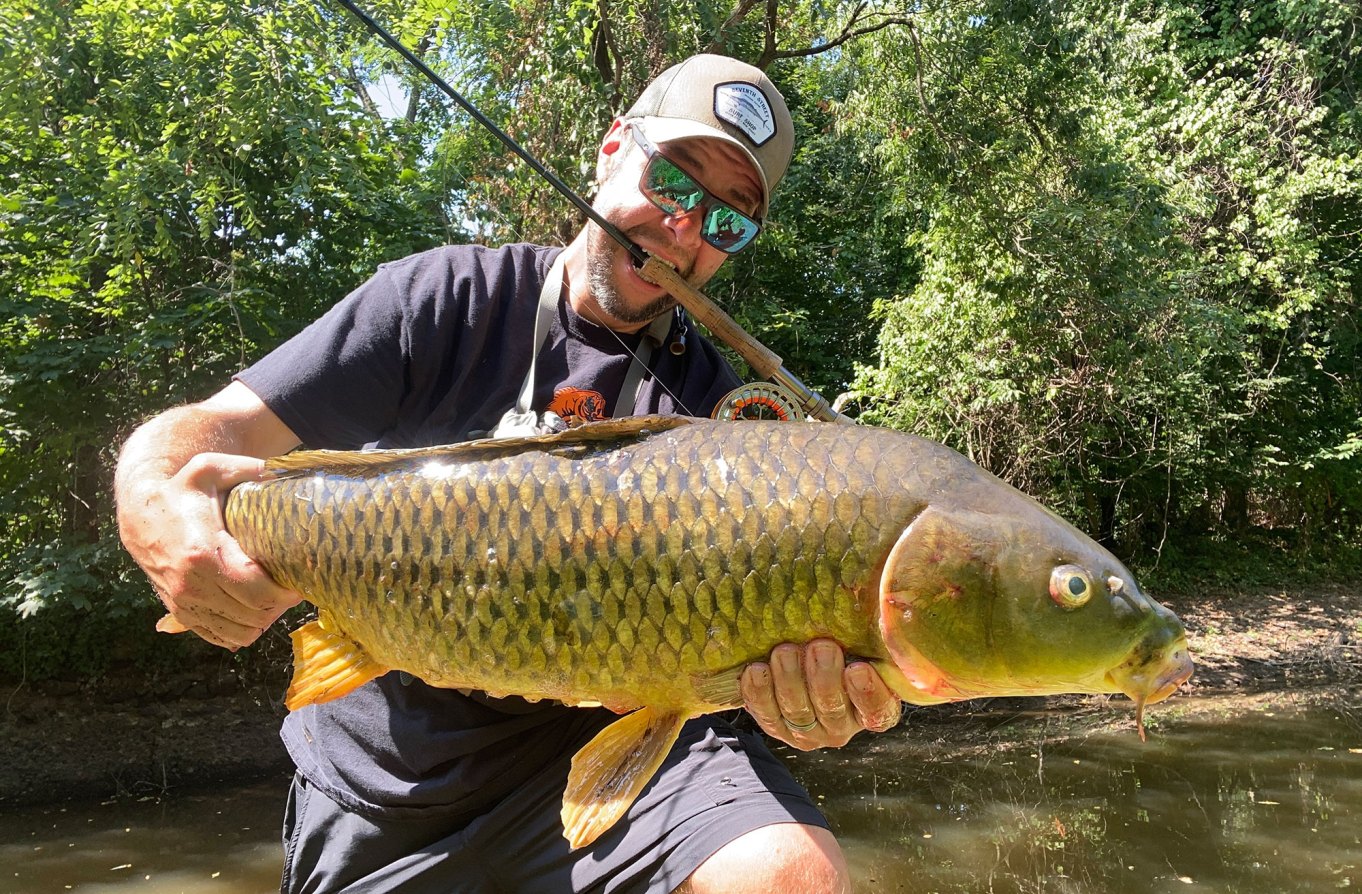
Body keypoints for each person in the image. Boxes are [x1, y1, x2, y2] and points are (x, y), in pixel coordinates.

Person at [115, 54, 901, 894]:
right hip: (391, 786)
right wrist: (154, 504)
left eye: (727, 221)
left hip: (628, 759)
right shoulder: (443, 298)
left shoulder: (727, 417)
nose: (683, 229)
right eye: (673, 180)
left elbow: (739, 661)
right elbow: (210, 432)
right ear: (612, 147)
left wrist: (813, 702)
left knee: (790, 876)